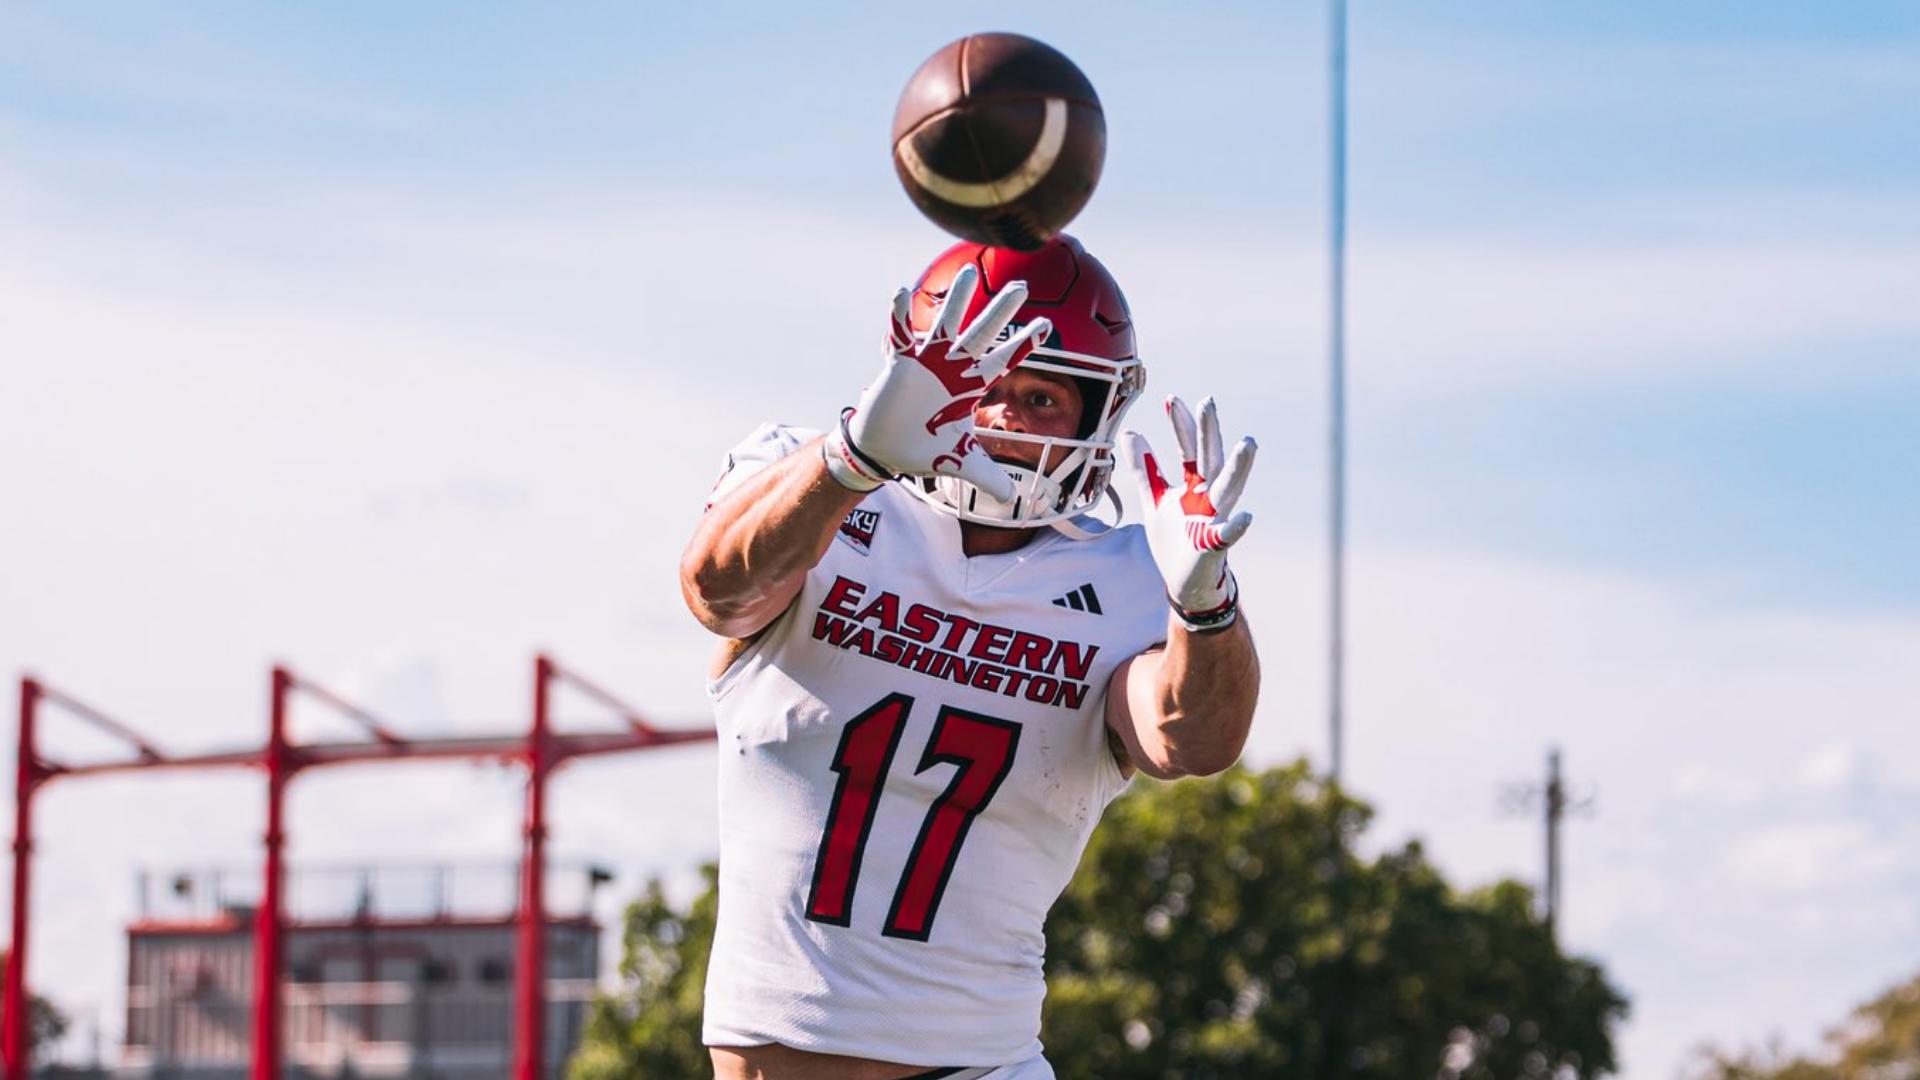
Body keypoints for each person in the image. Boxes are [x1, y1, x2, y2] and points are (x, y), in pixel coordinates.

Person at [679, 235, 1261, 1080]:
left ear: (1098, 417)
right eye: (982, 385)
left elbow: (1191, 742)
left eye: (1042, 396)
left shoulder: (1128, 575)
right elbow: (717, 591)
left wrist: (1206, 609)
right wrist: (849, 461)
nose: (1005, 418)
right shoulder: (804, 489)